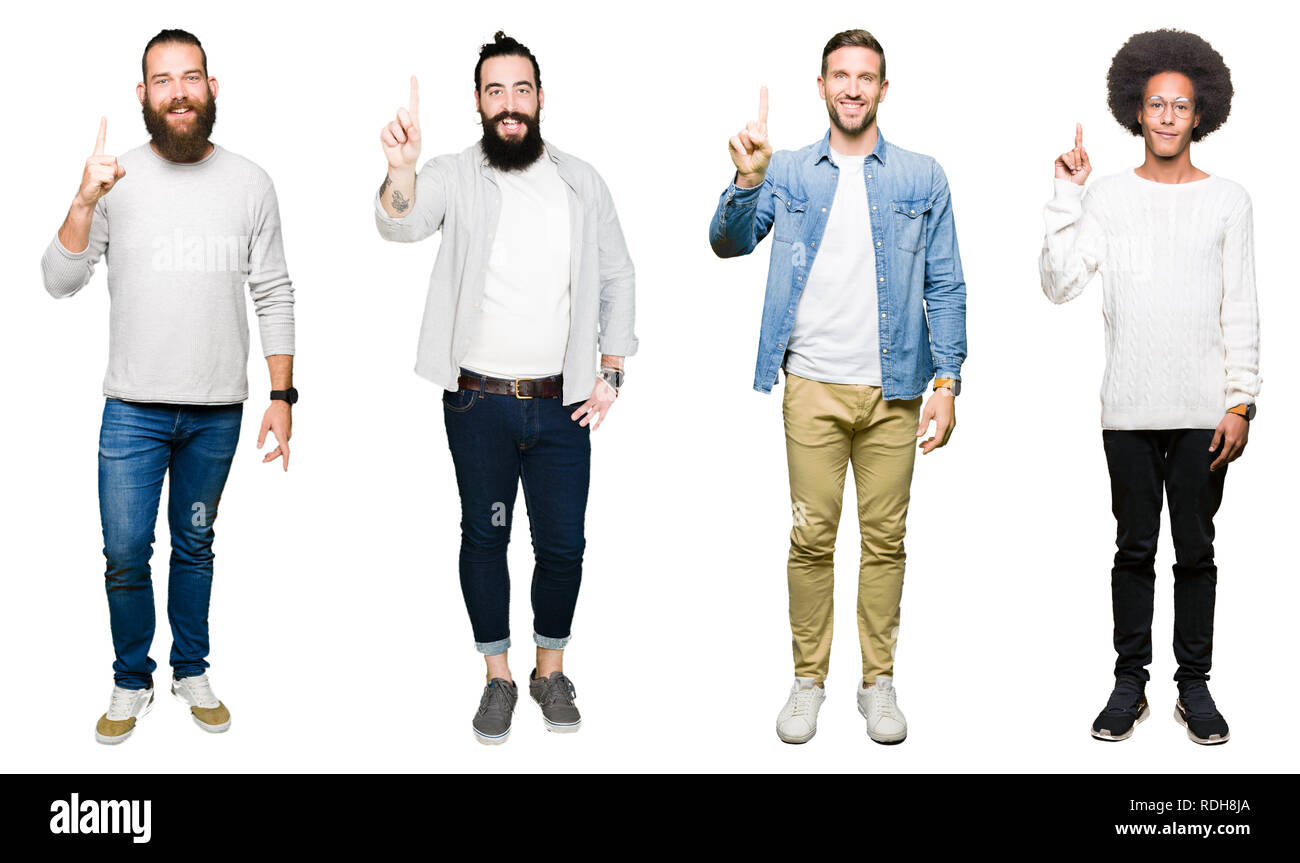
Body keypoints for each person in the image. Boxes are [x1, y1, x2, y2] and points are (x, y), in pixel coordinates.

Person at [374, 32, 637, 745]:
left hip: (564, 402)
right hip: (477, 402)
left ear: (541, 98)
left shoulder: (580, 180)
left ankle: (551, 670)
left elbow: (617, 275)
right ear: (479, 103)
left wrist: (611, 370)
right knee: (484, 538)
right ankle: (498, 677)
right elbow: (400, 221)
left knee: (562, 546)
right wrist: (400, 169)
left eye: (522, 90)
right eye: (496, 92)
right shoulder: (455, 175)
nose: (510, 105)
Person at [709, 29, 967, 745]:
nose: (853, 88)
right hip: (812, 388)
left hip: (897, 391)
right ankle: (808, 679)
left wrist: (948, 381)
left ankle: (877, 682)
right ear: (821, 86)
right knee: (810, 539)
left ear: (885, 88)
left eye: (866, 77)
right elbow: (728, 242)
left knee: (886, 541)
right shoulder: (787, 170)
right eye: (840, 75)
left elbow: (945, 283)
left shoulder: (922, 176)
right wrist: (747, 181)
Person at [40, 29, 297, 744]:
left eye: (191, 78)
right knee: (125, 551)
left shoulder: (251, 182)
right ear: (143, 96)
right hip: (132, 413)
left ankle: (190, 669)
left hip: (216, 413)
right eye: (163, 80)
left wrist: (282, 396)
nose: (178, 91)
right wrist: (83, 199)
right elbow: (57, 281)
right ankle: (131, 680)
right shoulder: (114, 178)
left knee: (195, 546)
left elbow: (274, 292)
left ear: (213, 88)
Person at [1040, 29, 1257, 746]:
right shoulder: (1104, 197)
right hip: (1128, 409)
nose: (1167, 116)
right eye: (1155, 104)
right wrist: (1065, 193)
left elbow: (1240, 306)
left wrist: (1240, 399)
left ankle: (1192, 686)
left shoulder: (1229, 200)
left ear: (1202, 115)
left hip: (1204, 411)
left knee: (1196, 550)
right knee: (1134, 548)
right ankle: (1129, 682)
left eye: (1181, 105)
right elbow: (1059, 283)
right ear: (1136, 110)